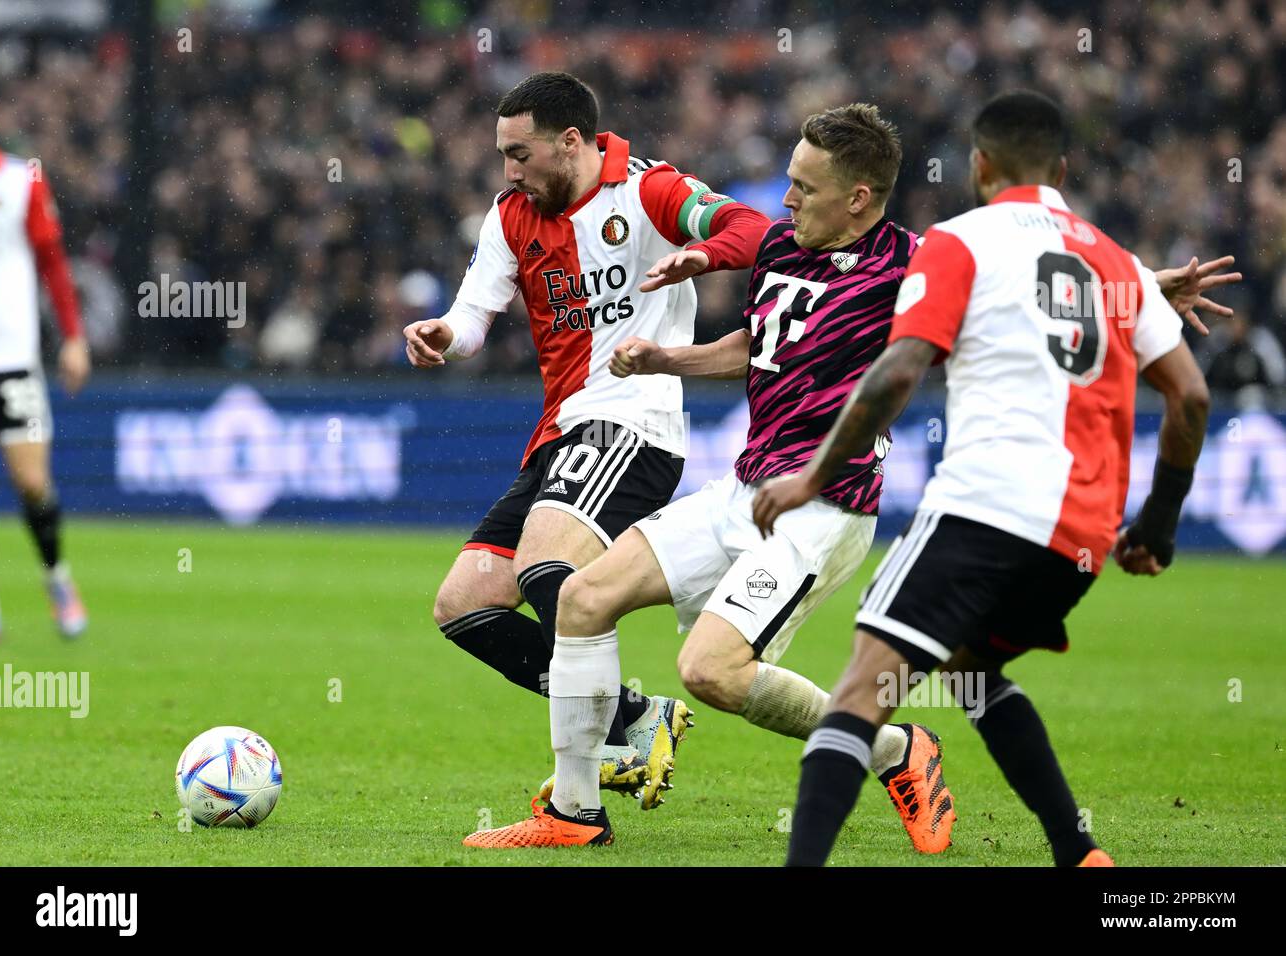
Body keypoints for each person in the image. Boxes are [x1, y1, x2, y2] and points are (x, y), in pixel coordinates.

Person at [463, 104, 957, 851]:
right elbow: (756, 345)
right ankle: (573, 813)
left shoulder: (912, 263)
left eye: (803, 187)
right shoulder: (786, 247)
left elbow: (1023, 295)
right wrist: (668, 359)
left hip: (822, 508)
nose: (784, 201)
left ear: (858, 197)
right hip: (743, 490)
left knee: (711, 673)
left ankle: (896, 752)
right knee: (582, 598)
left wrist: (1136, 299)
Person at [752, 90, 1216, 867]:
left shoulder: (958, 241)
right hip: (1081, 536)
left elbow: (899, 369)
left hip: (985, 506)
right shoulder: (1117, 261)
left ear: (980, 164)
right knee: (971, 671)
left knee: (861, 692)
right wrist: (1158, 527)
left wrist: (810, 478)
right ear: (1063, 169)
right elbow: (1192, 396)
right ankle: (1080, 853)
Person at [403, 72, 770, 804]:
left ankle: (581, 795)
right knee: (463, 605)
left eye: (521, 153)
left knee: (546, 566)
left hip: (635, 421)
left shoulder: (650, 191)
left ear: (571, 141)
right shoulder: (511, 214)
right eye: (503, 155)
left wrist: (701, 254)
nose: (509, 170)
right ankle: (636, 718)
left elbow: (753, 231)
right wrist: (447, 332)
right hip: (561, 432)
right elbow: (475, 313)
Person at [0, 94, 89, 641]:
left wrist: (73, 338)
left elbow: (52, 262)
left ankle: (56, 577)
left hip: (10, 359)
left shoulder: (20, 181)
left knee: (30, 482)